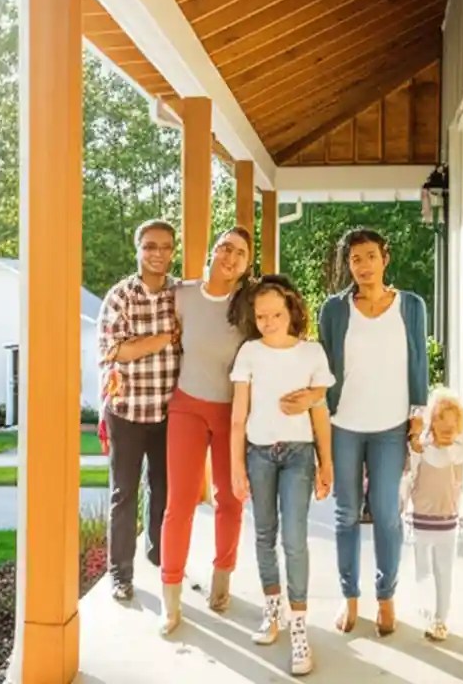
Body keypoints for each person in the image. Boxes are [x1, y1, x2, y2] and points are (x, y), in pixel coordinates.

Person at [317, 228, 429, 636]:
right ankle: (349, 600)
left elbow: (418, 365)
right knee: (345, 515)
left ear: (385, 258)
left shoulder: (411, 306)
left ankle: (386, 598)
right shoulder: (334, 309)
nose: (362, 266)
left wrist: (418, 417)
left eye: (369, 256)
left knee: (386, 514)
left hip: (390, 426)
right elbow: (326, 365)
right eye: (354, 259)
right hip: (344, 424)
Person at [229, 275, 335, 676]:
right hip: (258, 454)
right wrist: (236, 465)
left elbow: (320, 413)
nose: (269, 321)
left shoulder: (312, 353)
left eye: (276, 313)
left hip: (298, 456)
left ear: (292, 309)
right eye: (261, 316)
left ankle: (299, 627)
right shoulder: (249, 353)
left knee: (294, 539)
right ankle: (272, 610)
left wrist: (326, 464)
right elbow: (238, 416)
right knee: (263, 535)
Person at [158, 227, 253, 634]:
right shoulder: (183, 296)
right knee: (178, 503)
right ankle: (171, 597)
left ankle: (222, 579)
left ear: (248, 265)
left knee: (229, 499)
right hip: (187, 405)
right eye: (225, 248)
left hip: (233, 412)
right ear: (213, 251)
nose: (231, 257)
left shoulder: (249, 306)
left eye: (241, 254)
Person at [97, 219, 181, 601]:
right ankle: (121, 574)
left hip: (170, 412)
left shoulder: (181, 295)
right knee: (123, 493)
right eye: (150, 246)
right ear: (138, 249)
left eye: (165, 246)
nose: (158, 253)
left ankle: (159, 554)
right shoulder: (119, 297)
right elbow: (117, 351)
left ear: (173, 251)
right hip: (127, 411)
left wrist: (141, 342)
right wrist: (164, 338)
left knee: (164, 488)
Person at [404, 386, 463, 643]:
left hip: (447, 523)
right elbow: (413, 468)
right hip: (421, 521)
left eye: (452, 423)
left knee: (444, 571)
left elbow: (453, 466)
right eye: (441, 420)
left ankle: (440, 619)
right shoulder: (423, 450)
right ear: (433, 422)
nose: (447, 428)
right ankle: (428, 611)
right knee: (423, 570)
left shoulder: (456, 452)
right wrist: (417, 438)